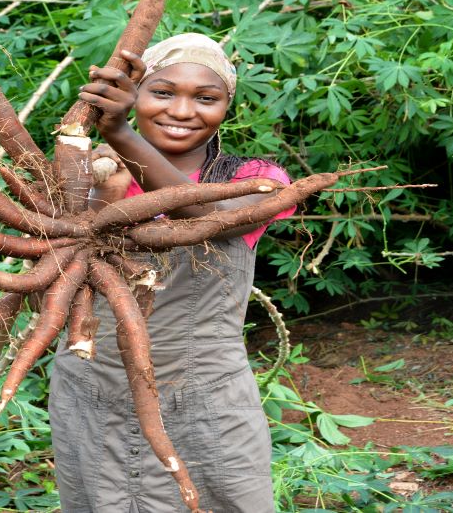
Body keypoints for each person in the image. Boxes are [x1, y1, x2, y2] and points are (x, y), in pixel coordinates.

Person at [49, 33, 293, 512]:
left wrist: (121, 133)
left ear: (228, 106)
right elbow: (55, 275)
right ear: (133, 93)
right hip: (92, 390)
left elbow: (205, 217)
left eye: (206, 98)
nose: (182, 112)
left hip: (204, 398)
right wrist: (99, 187)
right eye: (163, 92)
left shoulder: (256, 179)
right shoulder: (87, 175)